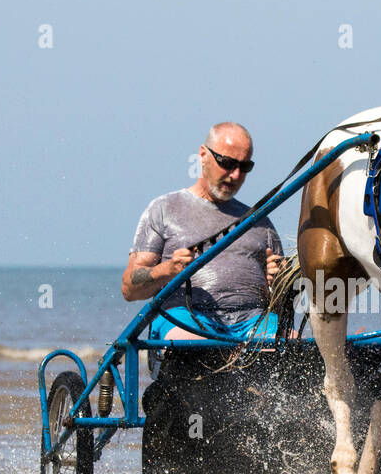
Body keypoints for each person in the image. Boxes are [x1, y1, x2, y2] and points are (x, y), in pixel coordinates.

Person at [121, 122, 284, 340]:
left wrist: (277, 284)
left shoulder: (261, 222)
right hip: (186, 318)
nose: (235, 175)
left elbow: (280, 301)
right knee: (197, 347)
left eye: (244, 167)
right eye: (227, 163)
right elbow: (129, 288)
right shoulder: (164, 209)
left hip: (253, 321)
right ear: (203, 155)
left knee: (291, 347)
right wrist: (168, 270)